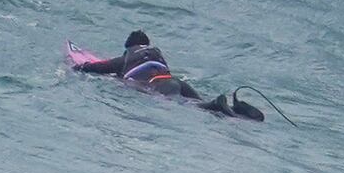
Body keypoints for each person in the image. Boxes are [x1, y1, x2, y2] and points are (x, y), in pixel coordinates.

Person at [73, 30, 262, 119]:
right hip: (174, 81)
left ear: (129, 46)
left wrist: (79, 67)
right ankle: (236, 110)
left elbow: (98, 67)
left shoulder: (127, 56)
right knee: (196, 101)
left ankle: (216, 105)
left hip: (158, 85)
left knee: (190, 107)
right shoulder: (155, 52)